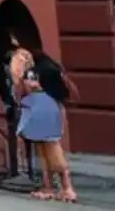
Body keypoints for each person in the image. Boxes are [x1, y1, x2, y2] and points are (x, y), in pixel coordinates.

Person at [20, 54, 79, 202]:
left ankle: (62, 188)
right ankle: (57, 187)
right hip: (55, 108)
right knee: (50, 147)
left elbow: (28, 89)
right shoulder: (55, 69)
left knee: (46, 150)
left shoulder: (33, 72)